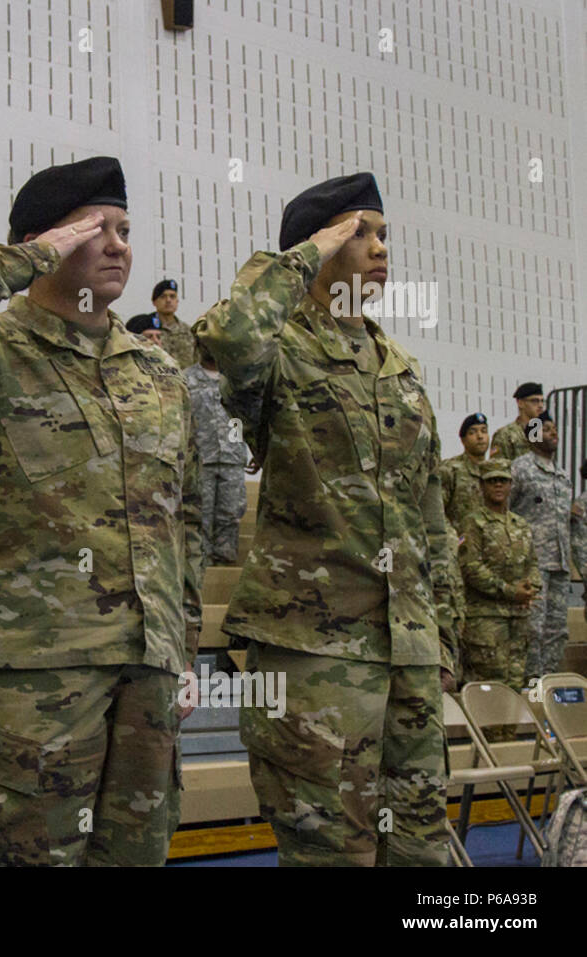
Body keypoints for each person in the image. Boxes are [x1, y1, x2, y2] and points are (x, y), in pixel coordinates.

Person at [0, 156, 203, 866]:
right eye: (96, 229)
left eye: (125, 228)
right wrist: (17, 261)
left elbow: (179, 519)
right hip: (27, 679)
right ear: (40, 245)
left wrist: (182, 644)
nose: (119, 244)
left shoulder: (154, 371)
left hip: (143, 672)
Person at [198, 171, 453, 866]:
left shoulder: (400, 367)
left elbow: (430, 513)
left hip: (408, 650)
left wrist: (443, 638)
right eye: (358, 231)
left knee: (421, 849)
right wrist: (305, 253)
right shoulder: (282, 347)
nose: (378, 247)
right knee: (331, 852)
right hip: (314, 651)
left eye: (383, 234)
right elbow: (232, 336)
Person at [458, 459, 539, 736]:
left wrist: (531, 589)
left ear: (510, 485)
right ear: (481, 486)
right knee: (490, 687)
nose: (498, 485)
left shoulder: (521, 524)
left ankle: (508, 748)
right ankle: (488, 752)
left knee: (514, 685)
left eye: (503, 480)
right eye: (492, 480)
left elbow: (533, 564)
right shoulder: (473, 523)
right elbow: (470, 568)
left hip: (518, 620)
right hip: (486, 621)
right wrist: (509, 591)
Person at [510, 414, 585, 678]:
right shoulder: (519, 469)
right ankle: (530, 686)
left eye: (555, 429)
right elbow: (505, 513)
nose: (554, 433)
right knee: (534, 627)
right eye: (547, 429)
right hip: (533, 563)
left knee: (557, 630)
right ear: (532, 435)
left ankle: (548, 683)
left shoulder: (563, 476)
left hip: (560, 563)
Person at [184, 325, 249, 567]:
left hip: (233, 458)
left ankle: (224, 565)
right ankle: (199, 566)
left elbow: (250, 416)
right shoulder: (185, 379)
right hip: (200, 459)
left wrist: (256, 448)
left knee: (231, 514)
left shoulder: (239, 380)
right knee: (200, 514)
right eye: (205, 343)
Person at [127, 280, 194, 369]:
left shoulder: (189, 331)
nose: (168, 300)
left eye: (172, 296)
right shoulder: (145, 328)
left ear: (177, 301)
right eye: (163, 297)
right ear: (154, 302)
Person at [439, 413, 489, 530]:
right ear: (463, 440)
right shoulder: (450, 469)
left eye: (484, 431)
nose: (480, 436)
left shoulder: (494, 472)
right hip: (459, 541)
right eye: (473, 432)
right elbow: (437, 511)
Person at [489, 382, 544, 463]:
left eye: (542, 401)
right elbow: (497, 467)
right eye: (534, 401)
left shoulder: (541, 433)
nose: (540, 405)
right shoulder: (505, 434)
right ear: (520, 403)